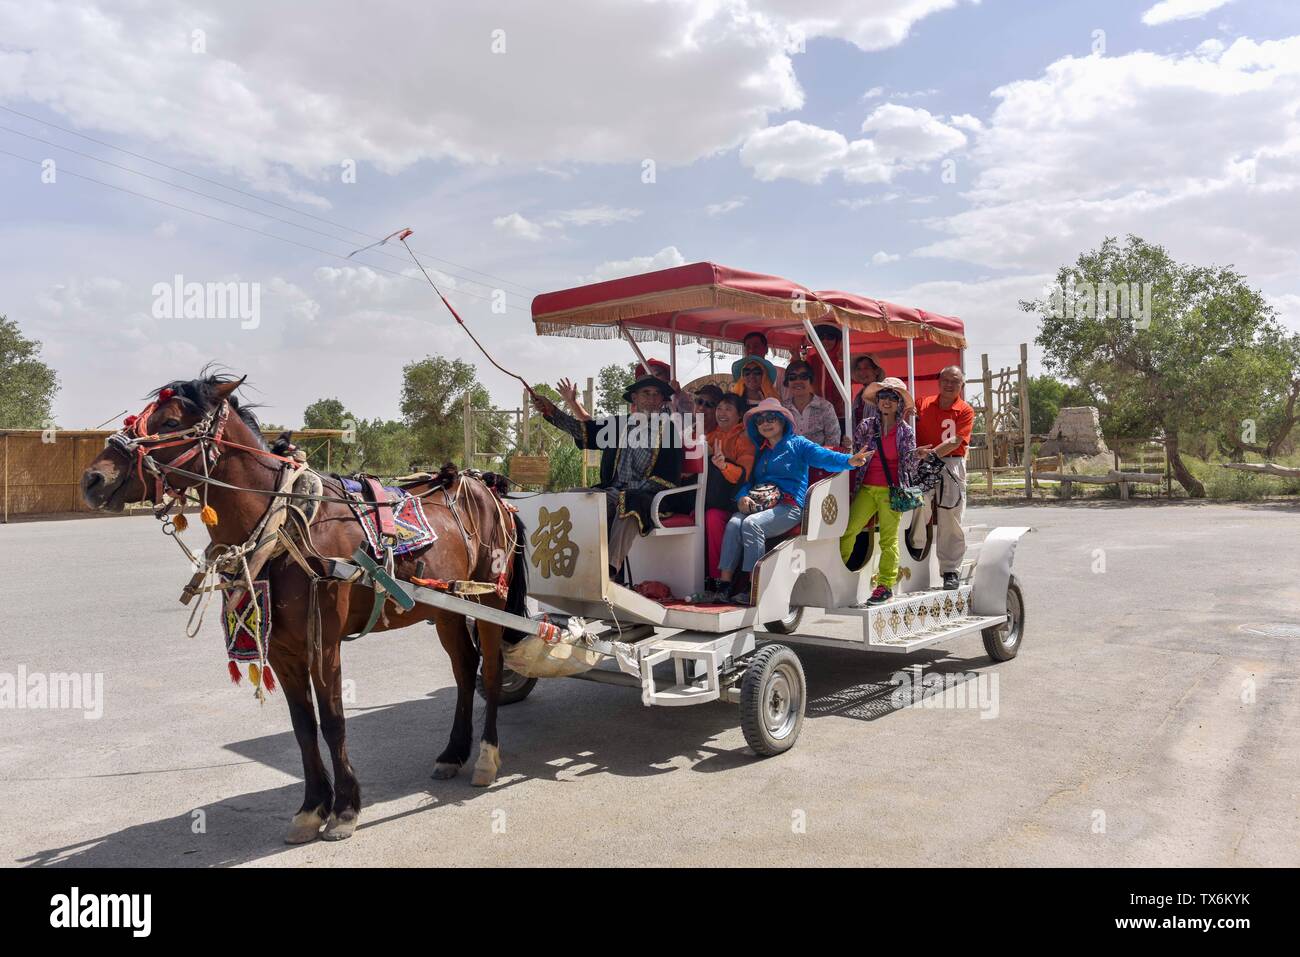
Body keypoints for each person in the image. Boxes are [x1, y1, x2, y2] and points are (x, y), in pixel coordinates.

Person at [716, 398, 869, 604]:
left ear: (782, 421)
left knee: (752, 524)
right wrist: (742, 497)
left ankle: (752, 586)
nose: (765, 423)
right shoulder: (761, 450)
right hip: (759, 503)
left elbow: (824, 457)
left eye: (771, 418)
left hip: (789, 507)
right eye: (760, 420)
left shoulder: (798, 444)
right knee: (735, 522)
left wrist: (849, 461)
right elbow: (750, 480)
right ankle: (724, 586)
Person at [533, 375, 685, 580]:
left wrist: (633, 492)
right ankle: (570, 564)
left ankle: (609, 572)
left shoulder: (669, 431)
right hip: (611, 491)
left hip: (648, 497)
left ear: (661, 401)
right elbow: (584, 431)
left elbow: (669, 477)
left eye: (656, 394)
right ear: (635, 398)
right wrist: (551, 411)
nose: (651, 398)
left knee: (629, 502)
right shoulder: (618, 425)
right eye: (646, 393)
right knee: (572, 498)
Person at [839, 377, 918, 606]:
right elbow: (856, 452)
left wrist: (915, 456)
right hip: (867, 488)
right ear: (877, 400)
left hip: (890, 491)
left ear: (899, 403)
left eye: (892, 397)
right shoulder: (866, 426)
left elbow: (909, 465)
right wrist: (849, 447)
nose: (886, 401)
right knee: (849, 529)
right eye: (883, 396)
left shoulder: (905, 432)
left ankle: (885, 586)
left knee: (888, 539)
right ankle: (841, 572)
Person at [913, 365, 974, 590]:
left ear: (961, 385)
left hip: (951, 462)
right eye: (945, 380)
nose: (949, 385)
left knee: (950, 515)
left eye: (954, 381)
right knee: (917, 502)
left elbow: (957, 441)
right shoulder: (923, 404)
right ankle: (916, 547)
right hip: (924, 463)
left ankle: (950, 570)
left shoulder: (965, 410)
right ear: (939, 382)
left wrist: (931, 454)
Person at [693, 393, 755, 601]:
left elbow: (744, 476)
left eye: (728, 408)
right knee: (696, 513)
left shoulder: (744, 438)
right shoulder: (711, 436)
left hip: (736, 501)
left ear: (740, 415)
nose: (722, 412)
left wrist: (723, 465)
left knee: (711, 517)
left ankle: (718, 580)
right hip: (710, 499)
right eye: (719, 408)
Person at [782, 359, 841, 447]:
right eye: (792, 377)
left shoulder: (825, 407)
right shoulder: (782, 409)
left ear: (811, 379)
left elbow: (833, 441)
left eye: (803, 376)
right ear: (787, 382)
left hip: (818, 459)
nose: (798, 381)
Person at [802, 322, 848, 418]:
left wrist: (842, 362)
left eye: (830, 337)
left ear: (837, 340)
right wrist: (795, 359)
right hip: (815, 413)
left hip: (840, 414)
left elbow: (854, 378)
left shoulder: (844, 358)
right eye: (821, 337)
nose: (825, 341)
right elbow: (800, 378)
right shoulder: (811, 360)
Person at [850, 353, 884, 421]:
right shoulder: (859, 396)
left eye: (866, 368)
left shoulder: (883, 394)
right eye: (859, 368)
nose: (862, 372)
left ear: (876, 371)